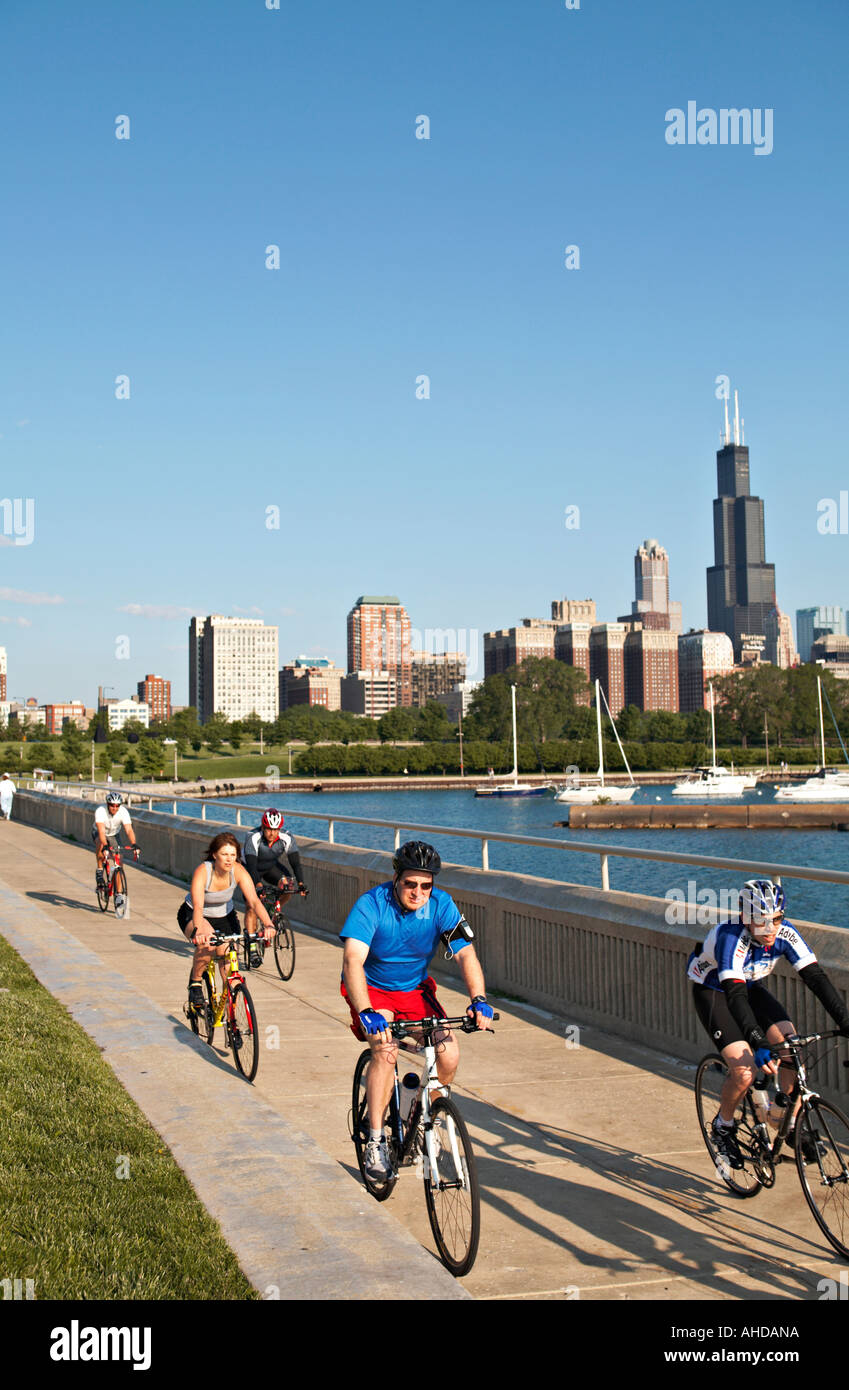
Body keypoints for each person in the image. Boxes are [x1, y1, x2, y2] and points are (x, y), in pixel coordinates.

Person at [340, 839, 493, 1181]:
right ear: (396, 878)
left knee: (448, 1053)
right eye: (410, 884)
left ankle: (422, 1116)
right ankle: (376, 1142)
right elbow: (352, 960)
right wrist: (365, 1009)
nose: (418, 892)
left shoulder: (441, 905)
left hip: (414, 991)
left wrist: (478, 999)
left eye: (426, 885)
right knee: (385, 1050)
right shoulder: (371, 905)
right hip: (373, 989)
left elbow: (466, 954)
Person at [688, 878, 849, 1174]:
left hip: (749, 986)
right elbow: (735, 997)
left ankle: (782, 1117)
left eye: (777, 918)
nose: (771, 928)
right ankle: (723, 1126)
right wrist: (758, 1040)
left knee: (792, 1051)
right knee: (745, 1070)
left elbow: (816, 979)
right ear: (747, 919)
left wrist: (845, 1021)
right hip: (715, 992)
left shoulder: (785, 934)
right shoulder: (731, 937)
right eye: (763, 921)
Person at [178, 832, 275, 1014]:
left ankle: (233, 1018)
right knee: (208, 944)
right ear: (215, 854)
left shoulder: (238, 870)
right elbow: (198, 907)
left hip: (225, 916)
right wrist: (199, 932)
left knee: (229, 963)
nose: (229, 860)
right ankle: (196, 983)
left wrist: (269, 925)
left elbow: (254, 901)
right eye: (224, 854)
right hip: (196, 914)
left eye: (233, 855)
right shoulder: (203, 871)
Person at [242, 810, 308, 967]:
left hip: (270, 867)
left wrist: (301, 884)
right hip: (251, 869)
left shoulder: (286, 837)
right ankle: (252, 945)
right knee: (252, 905)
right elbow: (251, 867)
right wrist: (258, 886)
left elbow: (295, 863)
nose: (272, 833)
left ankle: (272, 914)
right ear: (263, 827)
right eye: (269, 829)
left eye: (276, 829)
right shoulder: (253, 836)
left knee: (288, 887)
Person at [91, 791, 139, 906]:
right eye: (112, 805)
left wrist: (134, 844)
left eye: (117, 805)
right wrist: (105, 845)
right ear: (108, 804)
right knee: (101, 846)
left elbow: (129, 829)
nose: (115, 808)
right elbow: (101, 831)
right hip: (99, 832)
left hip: (114, 834)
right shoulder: (101, 811)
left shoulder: (123, 812)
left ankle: (118, 894)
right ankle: (99, 870)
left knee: (119, 861)